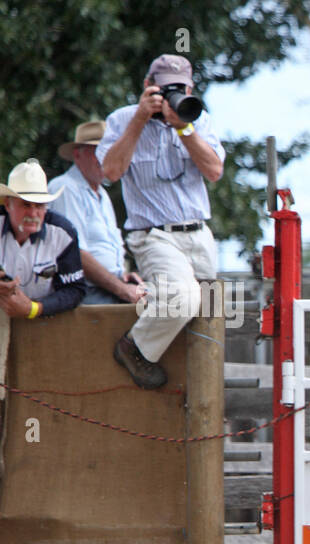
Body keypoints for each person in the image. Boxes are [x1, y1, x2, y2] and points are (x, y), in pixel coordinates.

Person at [97, 53, 225, 390]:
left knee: (210, 310)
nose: (174, 95)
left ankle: (206, 391)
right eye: (166, 89)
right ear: (147, 87)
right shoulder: (122, 119)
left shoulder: (198, 119)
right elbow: (110, 171)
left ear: (191, 87)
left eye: (180, 88)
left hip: (199, 235)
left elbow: (214, 172)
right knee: (182, 299)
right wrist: (140, 119)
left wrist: (184, 128)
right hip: (153, 235)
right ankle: (133, 347)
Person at [0, 159, 85, 479]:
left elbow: (75, 290)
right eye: (26, 204)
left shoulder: (63, 232)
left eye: (40, 205)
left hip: (41, 328)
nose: (34, 213)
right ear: (8, 204)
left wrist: (33, 309)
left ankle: (35, 476)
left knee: (39, 407)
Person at [48, 120, 146, 306]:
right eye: (98, 152)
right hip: (85, 290)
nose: (105, 157)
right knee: (158, 314)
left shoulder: (102, 194)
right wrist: (122, 289)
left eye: (109, 151)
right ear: (78, 155)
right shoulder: (65, 188)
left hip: (107, 287)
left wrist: (123, 277)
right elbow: (75, 254)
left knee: (171, 304)